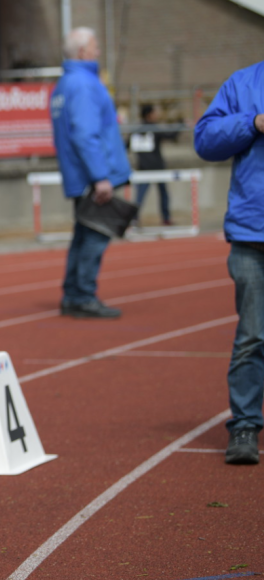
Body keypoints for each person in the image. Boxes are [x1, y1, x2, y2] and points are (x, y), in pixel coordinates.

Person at [194, 61, 264, 465]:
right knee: (252, 336)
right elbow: (205, 141)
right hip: (253, 234)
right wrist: (253, 122)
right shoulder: (242, 83)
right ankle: (244, 425)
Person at [50, 27, 131, 319]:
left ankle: (73, 293)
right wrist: (100, 176)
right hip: (91, 175)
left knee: (83, 235)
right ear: (83, 51)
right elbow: (86, 134)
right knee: (95, 236)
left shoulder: (64, 84)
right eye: (95, 47)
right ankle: (82, 295)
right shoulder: (84, 84)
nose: (98, 52)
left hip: (78, 174)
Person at [131, 104, 177, 226]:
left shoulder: (137, 130)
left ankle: (135, 218)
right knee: (160, 194)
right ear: (149, 114)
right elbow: (170, 135)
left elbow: (126, 144)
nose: (156, 115)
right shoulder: (153, 129)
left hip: (144, 167)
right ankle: (165, 217)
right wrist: (181, 125)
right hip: (155, 167)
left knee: (142, 195)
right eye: (154, 112)